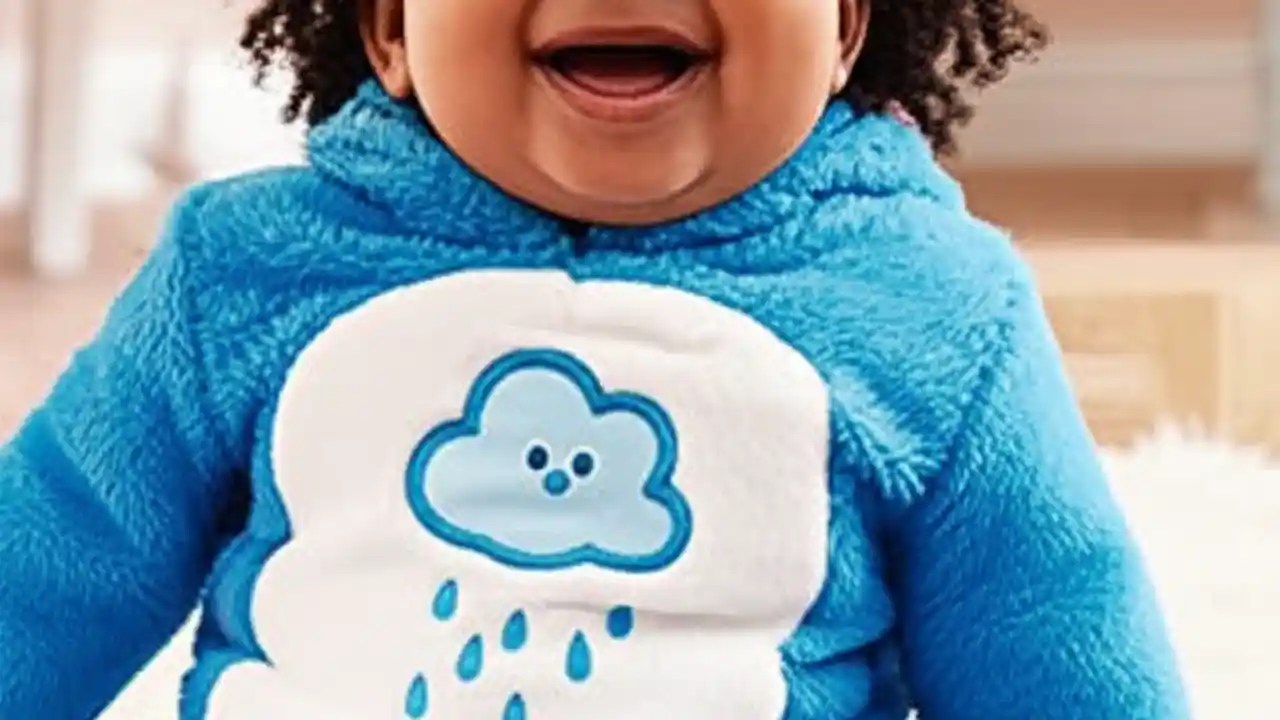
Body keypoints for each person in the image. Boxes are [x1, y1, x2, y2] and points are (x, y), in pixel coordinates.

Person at [0, 1, 1190, 718]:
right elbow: (51, 563)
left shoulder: (931, 307)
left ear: (840, 29)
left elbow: (1057, 641)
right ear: (391, 31)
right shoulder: (248, 269)